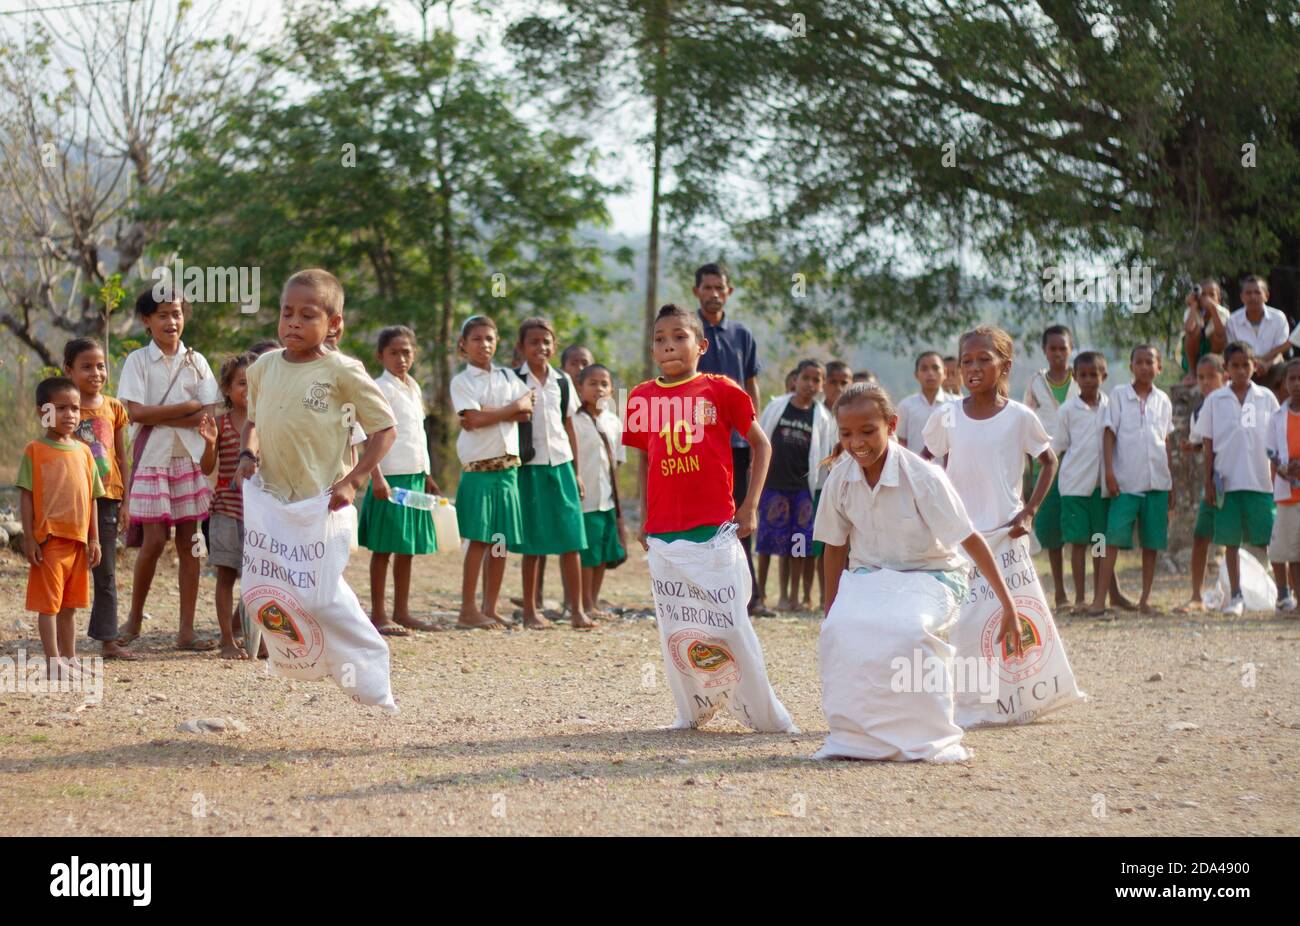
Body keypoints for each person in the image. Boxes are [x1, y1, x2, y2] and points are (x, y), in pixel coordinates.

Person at [813, 383, 1024, 762]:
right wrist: (832, 609)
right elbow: (833, 547)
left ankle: (927, 736)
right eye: (846, 434)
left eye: (867, 431)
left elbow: (969, 540)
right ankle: (855, 737)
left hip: (933, 576)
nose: (857, 442)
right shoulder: (840, 479)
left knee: (906, 631)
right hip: (870, 577)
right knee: (841, 632)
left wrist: (1008, 606)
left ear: (891, 425)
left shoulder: (922, 476)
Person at [233, 269, 397, 611]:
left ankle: (356, 659)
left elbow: (385, 429)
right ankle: (294, 661)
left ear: (334, 324)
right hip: (275, 502)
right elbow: (253, 421)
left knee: (320, 595)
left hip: (323, 503)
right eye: (286, 313)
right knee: (275, 589)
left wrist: (354, 481)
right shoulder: (263, 367)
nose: (294, 322)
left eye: (307, 315)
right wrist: (247, 454)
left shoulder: (343, 371)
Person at [115, 289, 222, 651]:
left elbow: (206, 416)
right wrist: (186, 408)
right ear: (147, 321)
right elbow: (134, 412)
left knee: (191, 544)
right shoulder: (137, 362)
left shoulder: (198, 362)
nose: (171, 321)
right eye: (162, 315)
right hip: (151, 459)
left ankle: (186, 631)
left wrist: (182, 413)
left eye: (176, 314)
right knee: (154, 541)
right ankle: (132, 620)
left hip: (188, 460)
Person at [921, 325, 1058, 552]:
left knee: (1010, 589)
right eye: (966, 361)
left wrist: (1029, 512)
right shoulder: (947, 415)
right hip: (961, 534)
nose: (974, 368)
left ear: (1005, 366)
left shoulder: (1019, 416)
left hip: (1007, 533)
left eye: (984, 359)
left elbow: (1049, 462)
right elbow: (923, 461)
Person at [450, 315, 533, 630]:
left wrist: (491, 413)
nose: (483, 344)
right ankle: (467, 609)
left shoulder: (507, 377)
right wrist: (510, 409)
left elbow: (527, 413)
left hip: (508, 468)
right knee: (479, 539)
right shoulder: (462, 381)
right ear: (463, 345)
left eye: (489, 338)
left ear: (496, 342)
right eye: (476, 339)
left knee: (500, 539)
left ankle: (490, 606)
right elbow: (473, 419)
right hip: (479, 469)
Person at [357, 326, 442, 636]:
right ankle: (379, 614)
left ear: (414, 354)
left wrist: (428, 474)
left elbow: (416, 434)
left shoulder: (413, 387)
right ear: (381, 355)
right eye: (394, 352)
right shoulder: (379, 387)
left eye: (406, 352)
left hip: (415, 475)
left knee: (407, 547)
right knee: (384, 547)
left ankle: (402, 611)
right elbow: (370, 433)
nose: (401, 358)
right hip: (389, 477)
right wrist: (375, 476)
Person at [19, 378, 105, 678]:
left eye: (75, 408)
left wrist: (94, 539)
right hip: (50, 539)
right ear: (42, 411)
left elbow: (93, 497)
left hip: (79, 542)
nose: (70, 414)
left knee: (71, 605)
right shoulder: (35, 450)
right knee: (50, 606)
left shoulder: (84, 452)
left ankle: (69, 658)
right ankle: (53, 661)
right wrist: (29, 538)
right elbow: (26, 496)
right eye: (61, 408)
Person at [692, 263, 765, 613]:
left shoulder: (742, 334)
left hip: (737, 441)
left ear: (729, 292)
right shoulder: (686, 332)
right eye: (707, 287)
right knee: (702, 515)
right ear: (696, 292)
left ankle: (746, 594)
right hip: (698, 441)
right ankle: (704, 593)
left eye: (719, 287)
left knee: (738, 514)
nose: (714, 293)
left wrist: (755, 432)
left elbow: (751, 384)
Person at [511, 317, 591, 630]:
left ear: (554, 346)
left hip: (561, 465)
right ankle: (530, 611)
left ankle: (577, 611)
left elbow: (569, 426)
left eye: (546, 342)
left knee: (572, 538)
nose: (541, 347)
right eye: (533, 342)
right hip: (529, 467)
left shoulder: (562, 381)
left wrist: (577, 472)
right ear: (521, 347)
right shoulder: (513, 380)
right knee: (533, 541)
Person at [1086, 346, 1175, 615]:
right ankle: (1100, 599)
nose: (1145, 366)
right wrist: (1110, 473)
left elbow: (1166, 440)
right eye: (1140, 362)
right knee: (1110, 539)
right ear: (1131, 366)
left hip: (1158, 481)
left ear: (1159, 367)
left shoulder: (1163, 400)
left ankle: (1145, 599)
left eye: (1151, 362)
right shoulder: (1118, 396)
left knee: (1152, 543)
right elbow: (1109, 434)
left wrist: (1171, 481)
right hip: (1125, 482)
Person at [1194, 342, 1279, 615]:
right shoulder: (1215, 400)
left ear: (1255, 366)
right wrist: (1208, 480)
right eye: (1235, 366)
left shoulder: (1266, 398)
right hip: (1227, 482)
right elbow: (1208, 443)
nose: (1241, 370)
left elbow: (1276, 442)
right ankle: (1237, 595)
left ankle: (1281, 593)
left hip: (1260, 481)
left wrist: (1278, 478)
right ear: (1226, 369)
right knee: (1230, 541)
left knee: (1269, 540)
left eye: (1246, 364)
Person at [63, 338, 135, 660]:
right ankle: (64, 643)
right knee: (69, 569)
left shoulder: (114, 407)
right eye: (87, 366)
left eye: (101, 366)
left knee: (105, 572)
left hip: (107, 497)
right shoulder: (65, 410)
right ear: (69, 371)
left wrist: (127, 501)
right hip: (71, 499)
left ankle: (108, 640)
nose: (96, 372)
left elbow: (121, 455)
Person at [1052, 351, 1132, 611]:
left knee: (1098, 543)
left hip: (1101, 489)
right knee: (1077, 544)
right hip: (1074, 487)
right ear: (1074, 377)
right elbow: (1059, 447)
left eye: (1093, 375)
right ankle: (1079, 598)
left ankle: (1100, 596)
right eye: (1083, 375)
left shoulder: (1112, 407)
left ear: (1103, 376)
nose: (1088, 380)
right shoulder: (1067, 410)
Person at [754, 359, 831, 611]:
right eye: (805, 378)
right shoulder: (777, 406)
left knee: (798, 544)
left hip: (802, 490)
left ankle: (793, 596)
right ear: (795, 380)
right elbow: (761, 439)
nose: (810, 384)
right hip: (774, 485)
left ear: (821, 384)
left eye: (816, 379)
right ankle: (762, 594)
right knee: (767, 542)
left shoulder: (822, 417)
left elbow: (826, 454)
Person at [198, 352, 255, 659]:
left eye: (253, 383)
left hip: (259, 514)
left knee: (256, 577)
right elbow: (207, 468)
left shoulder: (268, 423)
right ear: (228, 389)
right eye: (241, 383)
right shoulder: (219, 423)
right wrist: (209, 443)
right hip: (226, 511)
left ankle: (251, 635)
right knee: (226, 576)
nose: (247, 389)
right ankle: (226, 640)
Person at [1023, 324, 1080, 609]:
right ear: (1045, 350)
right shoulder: (1035, 384)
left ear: (1071, 350)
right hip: (1045, 465)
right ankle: (1060, 592)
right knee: (1053, 531)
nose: (1058, 354)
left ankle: (1095, 591)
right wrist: (1026, 473)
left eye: (1063, 348)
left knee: (1084, 528)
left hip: (1081, 464)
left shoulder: (1082, 378)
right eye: (1053, 348)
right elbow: (1026, 426)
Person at [572, 363, 626, 618]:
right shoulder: (573, 420)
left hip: (607, 499)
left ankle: (593, 602)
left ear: (611, 390)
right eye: (592, 383)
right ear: (580, 388)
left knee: (603, 553)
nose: (598, 389)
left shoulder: (613, 421)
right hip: (586, 500)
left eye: (604, 384)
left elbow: (616, 461)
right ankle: (582, 603)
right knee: (588, 555)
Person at [1174, 354, 1227, 612]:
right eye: (1201, 377)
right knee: (1201, 536)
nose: (1205, 383)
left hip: (1240, 479)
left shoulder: (1233, 402)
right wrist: (1191, 447)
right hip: (1214, 481)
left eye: (1210, 377)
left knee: (1258, 536)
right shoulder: (1200, 409)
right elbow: (1203, 442)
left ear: (1224, 375)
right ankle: (1196, 595)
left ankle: (1279, 591)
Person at [1267, 358, 1300, 613]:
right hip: (1288, 493)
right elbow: (1271, 450)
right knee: (1291, 550)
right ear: (1285, 383)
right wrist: (1281, 467)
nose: (1297, 384)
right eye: (1292, 379)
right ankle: (1295, 601)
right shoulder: (1278, 416)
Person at [1226, 275, 1291, 388]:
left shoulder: (1278, 318)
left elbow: (1279, 353)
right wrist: (1252, 365)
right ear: (1242, 297)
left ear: (1266, 296)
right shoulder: (1232, 321)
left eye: (1257, 292)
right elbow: (1232, 353)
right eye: (1248, 293)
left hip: (1272, 367)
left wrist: (1267, 365)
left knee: (1286, 370)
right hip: (1243, 368)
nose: (1253, 297)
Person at [896, 351, 955, 452]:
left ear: (945, 372)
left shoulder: (955, 404)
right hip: (914, 466)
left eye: (935, 368)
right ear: (916, 374)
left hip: (949, 467)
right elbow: (901, 442)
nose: (930, 373)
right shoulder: (906, 406)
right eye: (924, 369)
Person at [1181, 280, 1230, 383]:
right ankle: (1192, 371)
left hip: (1216, 352)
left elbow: (1221, 333)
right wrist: (1193, 305)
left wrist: (1213, 309)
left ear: (1218, 299)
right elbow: (1189, 329)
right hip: (1195, 353)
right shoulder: (1191, 310)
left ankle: (1213, 367)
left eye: (1212, 295)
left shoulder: (1222, 312)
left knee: (1219, 336)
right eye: (1203, 294)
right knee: (1192, 332)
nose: (1207, 298)